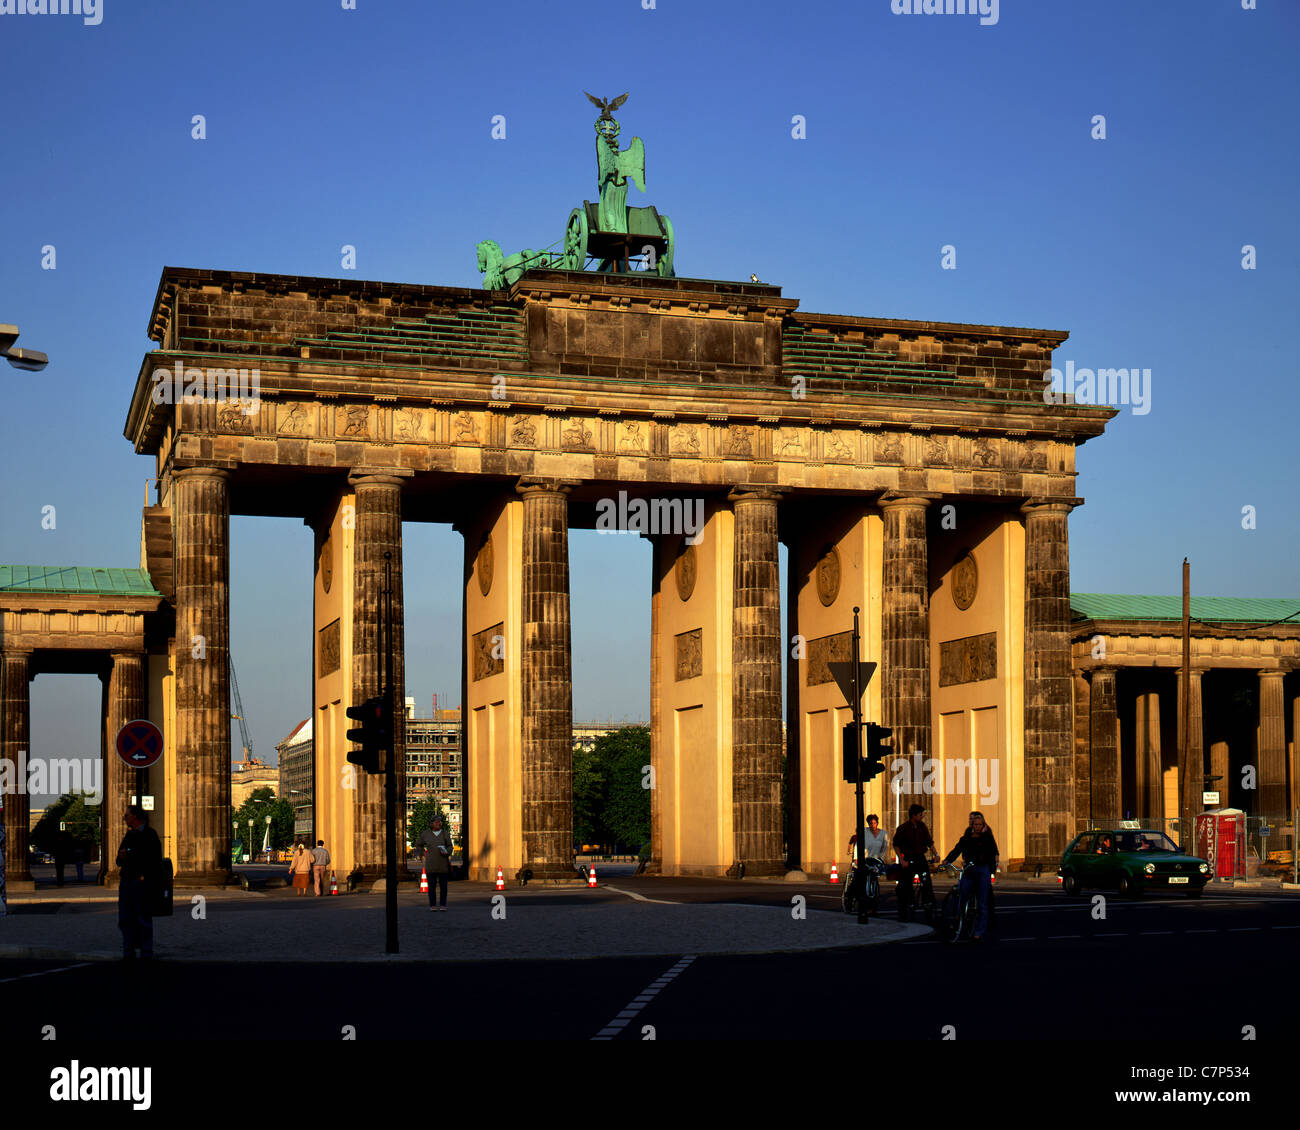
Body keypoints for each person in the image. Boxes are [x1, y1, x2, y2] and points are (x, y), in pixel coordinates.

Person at [942, 810, 1001, 941]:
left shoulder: (987, 838)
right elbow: (957, 850)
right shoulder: (966, 838)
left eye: (980, 824)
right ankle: (959, 916)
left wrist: (992, 869)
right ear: (972, 825)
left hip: (983, 870)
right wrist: (947, 860)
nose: (978, 827)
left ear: (983, 825)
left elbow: (993, 853)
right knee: (962, 892)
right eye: (975, 824)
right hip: (969, 869)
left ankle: (978, 932)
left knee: (982, 902)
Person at [115, 806, 162, 959]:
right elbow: (118, 860)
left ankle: (146, 951)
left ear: (135, 817)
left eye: (126, 815)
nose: (124, 818)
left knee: (143, 918)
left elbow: (153, 860)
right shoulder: (129, 835)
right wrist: (122, 856)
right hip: (127, 881)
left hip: (141, 882)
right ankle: (128, 950)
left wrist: (130, 855)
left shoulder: (150, 834)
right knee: (125, 919)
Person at [418, 816, 454, 911]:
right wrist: (422, 853)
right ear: (431, 824)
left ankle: (443, 905)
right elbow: (419, 844)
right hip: (431, 865)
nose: (438, 823)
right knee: (431, 888)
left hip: (443, 865)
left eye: (440, 822)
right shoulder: (425, 834)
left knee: (443, 888)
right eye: (436, 822)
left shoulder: (445, 834)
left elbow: (450, 846)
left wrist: (447, 851)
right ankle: (432, 905)